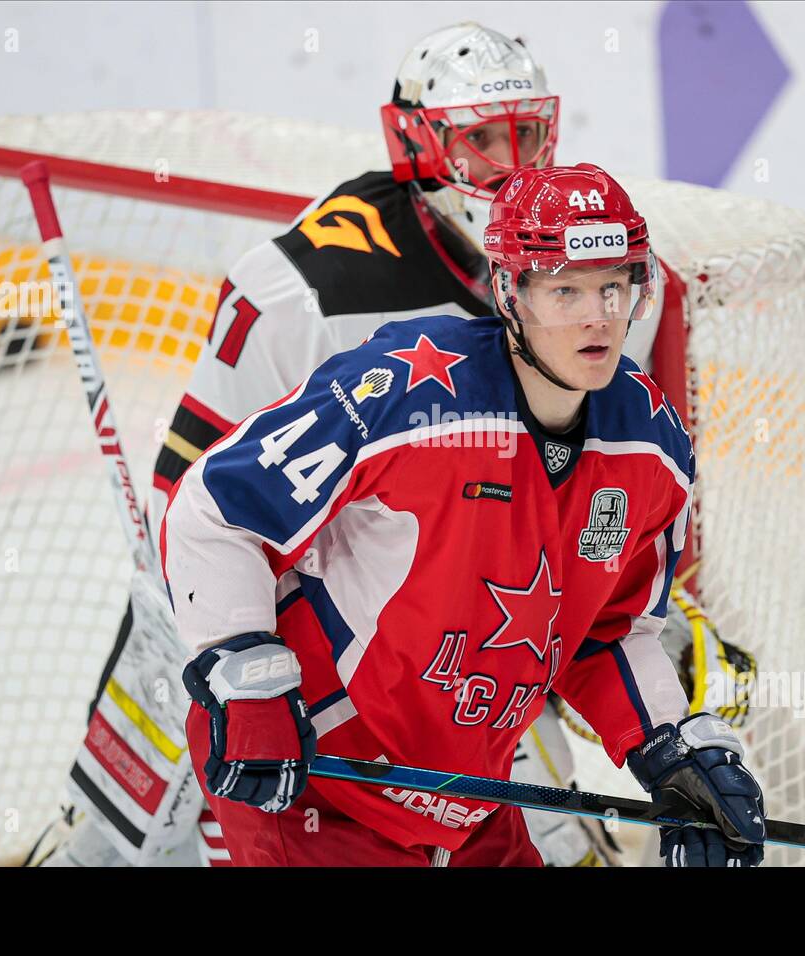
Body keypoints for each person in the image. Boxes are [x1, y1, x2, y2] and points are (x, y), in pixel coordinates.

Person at [164, 163, 766, 867]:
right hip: (316, 786)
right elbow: (217, 506)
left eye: (614, 285)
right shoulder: (403, 394)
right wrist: (247, 680)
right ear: (509, 293)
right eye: (564, 289)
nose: (597, 314)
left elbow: (607, 630)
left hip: (471, 799)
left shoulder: (651, 444)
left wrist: (666, 744)